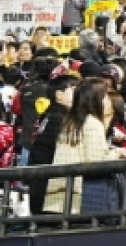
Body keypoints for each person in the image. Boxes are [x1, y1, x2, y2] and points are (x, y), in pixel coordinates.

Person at [44, 78, 126, 216]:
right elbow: (95, 163)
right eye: (105, 96)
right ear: (96, 98)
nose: (107, 100)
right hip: (78, 200)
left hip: (59, 198)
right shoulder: (92, 123)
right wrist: (118, 153)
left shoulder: (69, 120)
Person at [27, 74, 78, 215]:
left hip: (40, 180)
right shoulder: (58, 118)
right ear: (59, 95)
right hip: (48, 184)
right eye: (73, 89)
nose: (78, 93)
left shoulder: (51, 114)